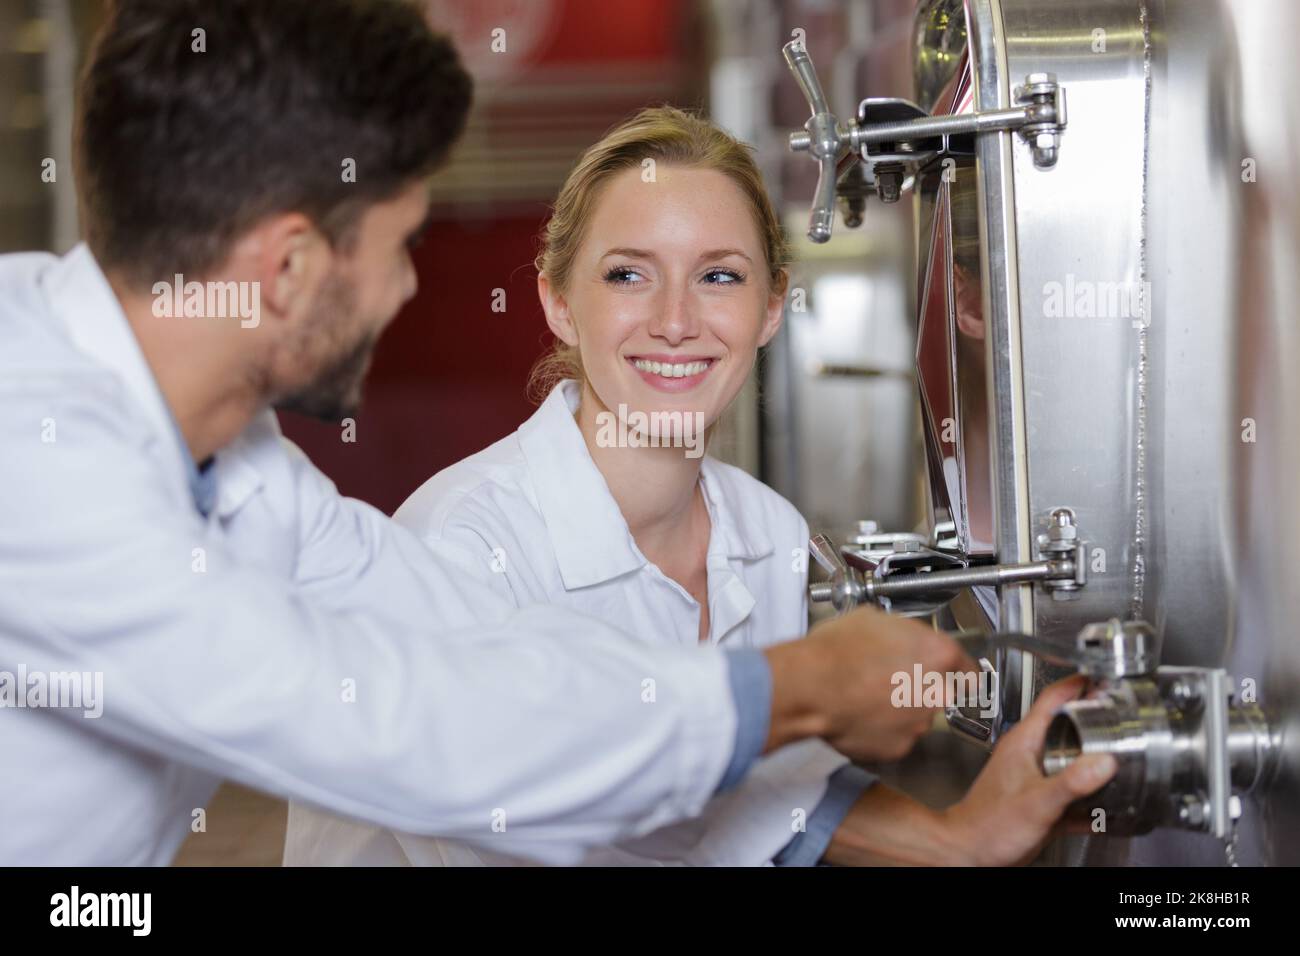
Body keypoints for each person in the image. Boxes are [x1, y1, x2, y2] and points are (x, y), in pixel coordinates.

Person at [0, 0, 1095, 866]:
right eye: (402, 242)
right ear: (289, 269)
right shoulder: (40, 456)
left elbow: (490, 651)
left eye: (719, 275)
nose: (406, 286)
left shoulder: (243, 472)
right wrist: (798, 687)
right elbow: (410, 728)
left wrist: (935, 829)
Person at [284, 107, 1118, 866]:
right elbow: (544, 810)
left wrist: (959, 840)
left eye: (720, 276)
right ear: (558, 302)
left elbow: (762, 798)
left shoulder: (767, 531)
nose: (677, 321)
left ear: (771, 309)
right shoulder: (466, 545)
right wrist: (809, 689)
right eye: (627, 275)